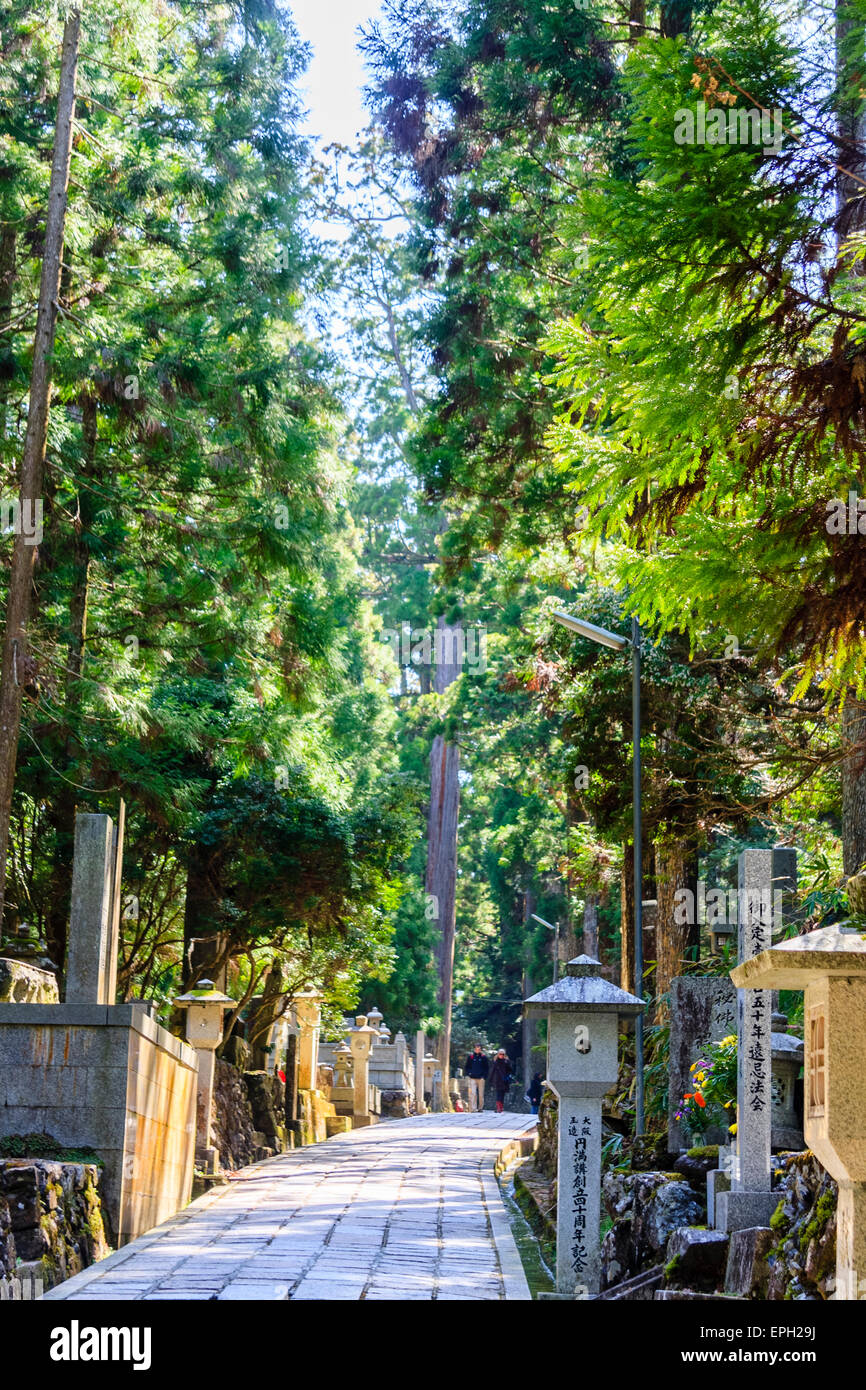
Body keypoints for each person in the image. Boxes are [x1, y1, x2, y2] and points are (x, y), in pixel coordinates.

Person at [464, 1044, 489, 1112]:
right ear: (474, 1049)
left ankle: (480, 1108)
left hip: (481, 1078)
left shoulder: (484, 1057)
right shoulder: (471, 1057)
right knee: (473, 1093)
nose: (477, 1050)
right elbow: (467, 1067)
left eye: (479, 1049)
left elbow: (486, 1068)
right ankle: (473, 1108)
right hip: (472, 1078)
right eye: (476, 1048)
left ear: (481, 1049)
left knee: (481, 1094)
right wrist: (469, 1073)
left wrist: (484, 1077)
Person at [488, 1049, 513, 1113]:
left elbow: (510, 1070)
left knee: (502, 1095)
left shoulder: (506, 1062)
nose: (501, 1055)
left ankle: (501, 1108)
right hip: (497, 1080)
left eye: (502, 1054)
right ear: (498, 1054)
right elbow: (492, 1071)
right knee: (498, 1094)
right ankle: (499, 1108)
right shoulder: (495, 1062)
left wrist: (508, 1076)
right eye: (500, 1054)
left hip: (504, 1081)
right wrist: (490, 1080)